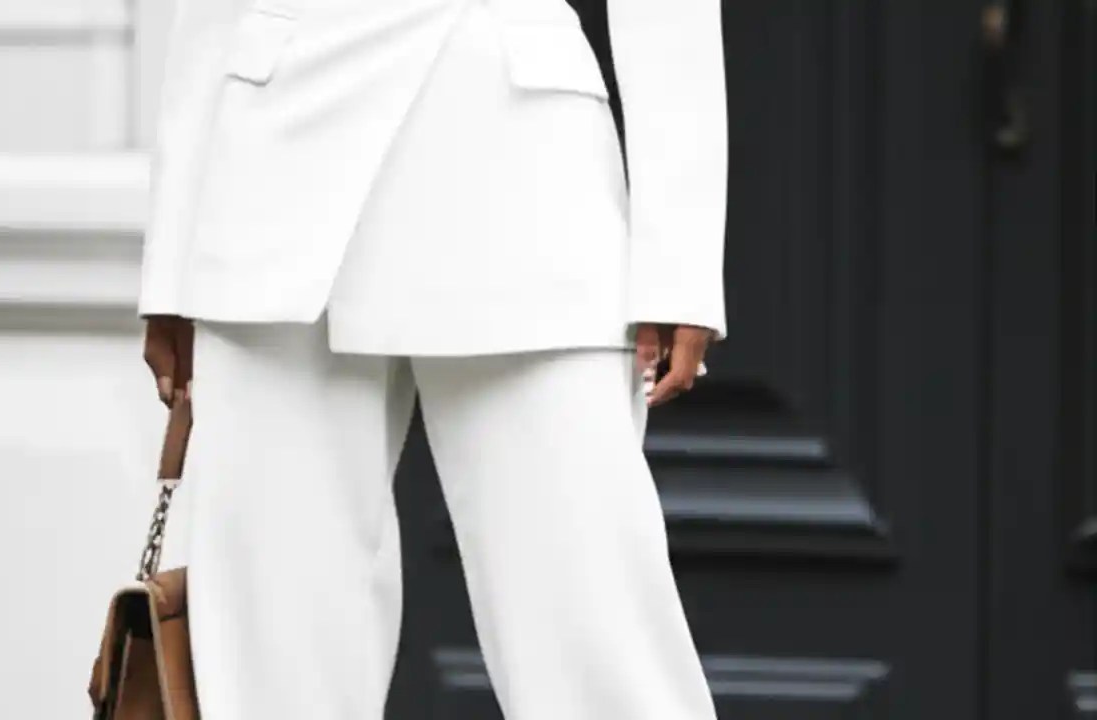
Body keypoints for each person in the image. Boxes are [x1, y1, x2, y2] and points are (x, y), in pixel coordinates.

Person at [138, 0, 728, 717]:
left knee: (594, 624)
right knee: (275, 644)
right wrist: (172, 262)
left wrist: (680, 264)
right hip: (273, 158)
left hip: (524, 156)